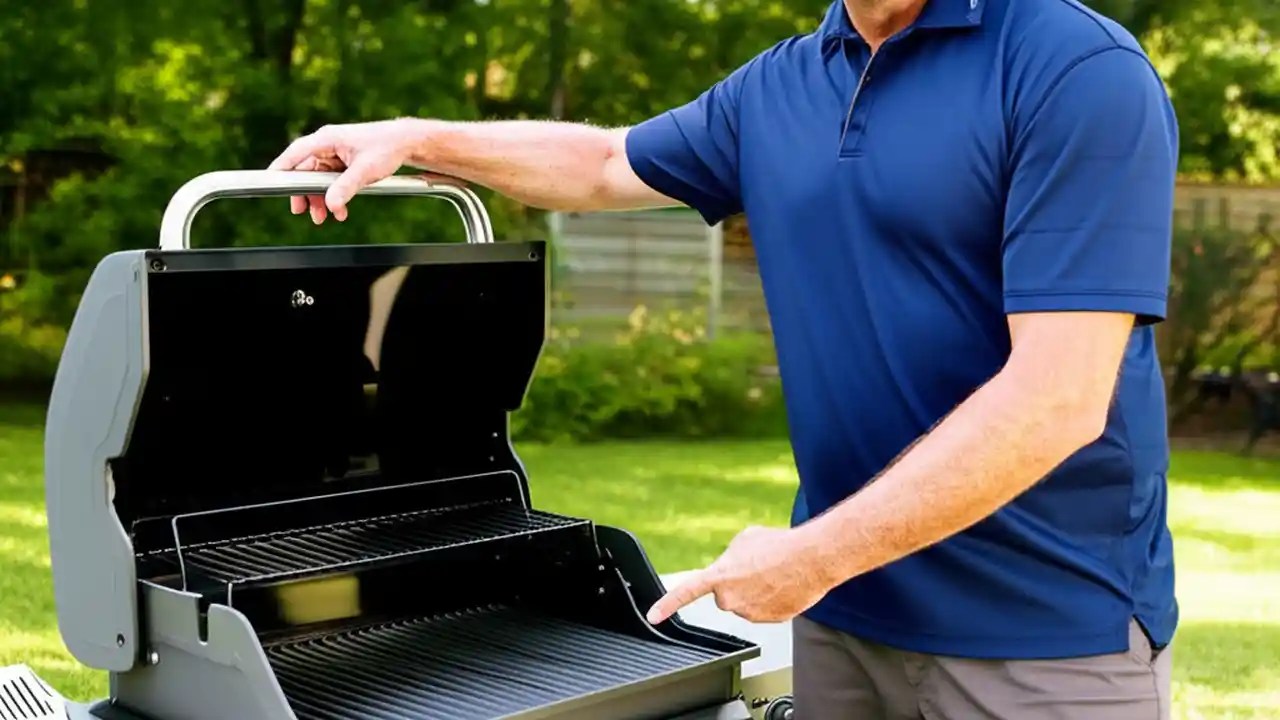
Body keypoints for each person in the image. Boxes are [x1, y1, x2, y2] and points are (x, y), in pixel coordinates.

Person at [269, 0, 1179, 716]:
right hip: (847, 623)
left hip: (1045, 634)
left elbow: (1057, 398)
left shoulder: (1076, 70)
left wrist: (813, 557)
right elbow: (604, 165)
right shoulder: (783, 84)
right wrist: (418, 140)